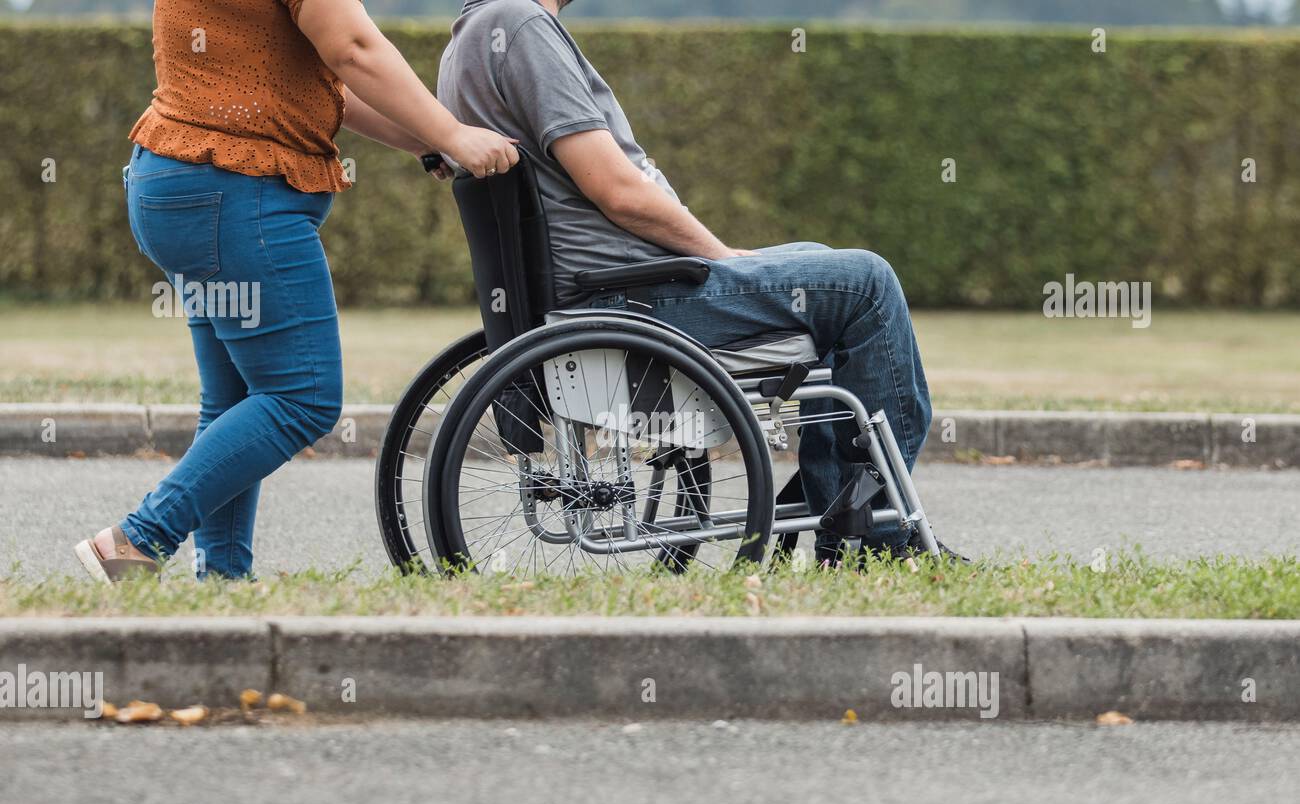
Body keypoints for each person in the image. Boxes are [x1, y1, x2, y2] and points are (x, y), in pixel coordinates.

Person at [439, 0, 959, 561]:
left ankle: (839, 518)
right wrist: (720, 257)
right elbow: (617, 190)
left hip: (606, 286)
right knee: (866, 283)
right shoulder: (521, 25)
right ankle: (878, 542)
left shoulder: (468, 36)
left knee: (819, 260)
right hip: (629, 294)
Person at [75, 0, 519, 582]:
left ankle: (223, 581)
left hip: (184, 182)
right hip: (235, 193)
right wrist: (455, 133)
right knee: (303, 395)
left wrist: (425, 140)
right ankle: (138, 539)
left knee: (237, 402)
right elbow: (353, 50)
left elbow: (319, 77)